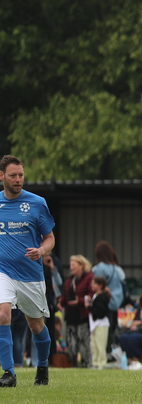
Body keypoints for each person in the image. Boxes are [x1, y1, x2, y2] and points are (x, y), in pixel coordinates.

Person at [0, 156, 57, 386]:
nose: (18, 179)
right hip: (3, 272)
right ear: (1, 176)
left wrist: (41, 250)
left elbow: (50, 238)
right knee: (3, 314)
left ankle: (42, 366)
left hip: (31, 275)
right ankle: (9, 373)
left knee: (36, 326)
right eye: (13, 175)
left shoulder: (36, 203)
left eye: (21, 175)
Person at [87, 276, 113, 370]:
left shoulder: (102, 297)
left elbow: (100, 312)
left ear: (100, 285)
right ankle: (95, 363)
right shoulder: (96, 296)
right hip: (95, 324)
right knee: (93, 345)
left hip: (101, 324)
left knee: (100, 345)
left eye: (94, 284)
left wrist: (89, 307)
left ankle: (102, 363)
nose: (92, 286)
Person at [91, 241, 126, 311]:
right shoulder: (116, 268)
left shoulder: (99, 268)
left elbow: (96, 286)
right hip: (117, 301)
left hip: (105, 303)